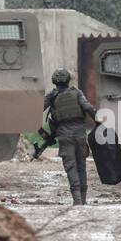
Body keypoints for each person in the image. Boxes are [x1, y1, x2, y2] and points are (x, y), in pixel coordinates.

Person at [43, 68, 97, 205]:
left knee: (71, 167)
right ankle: (83, 201)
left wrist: (43, 133)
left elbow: (36, 110)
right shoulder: (77, 93)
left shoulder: (51, 96)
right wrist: (99, 122)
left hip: (63, 135)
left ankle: (77, 201)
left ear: (54, 82)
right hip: (79, 133)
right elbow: (88, 108)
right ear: (68, 80)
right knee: (81, 166)